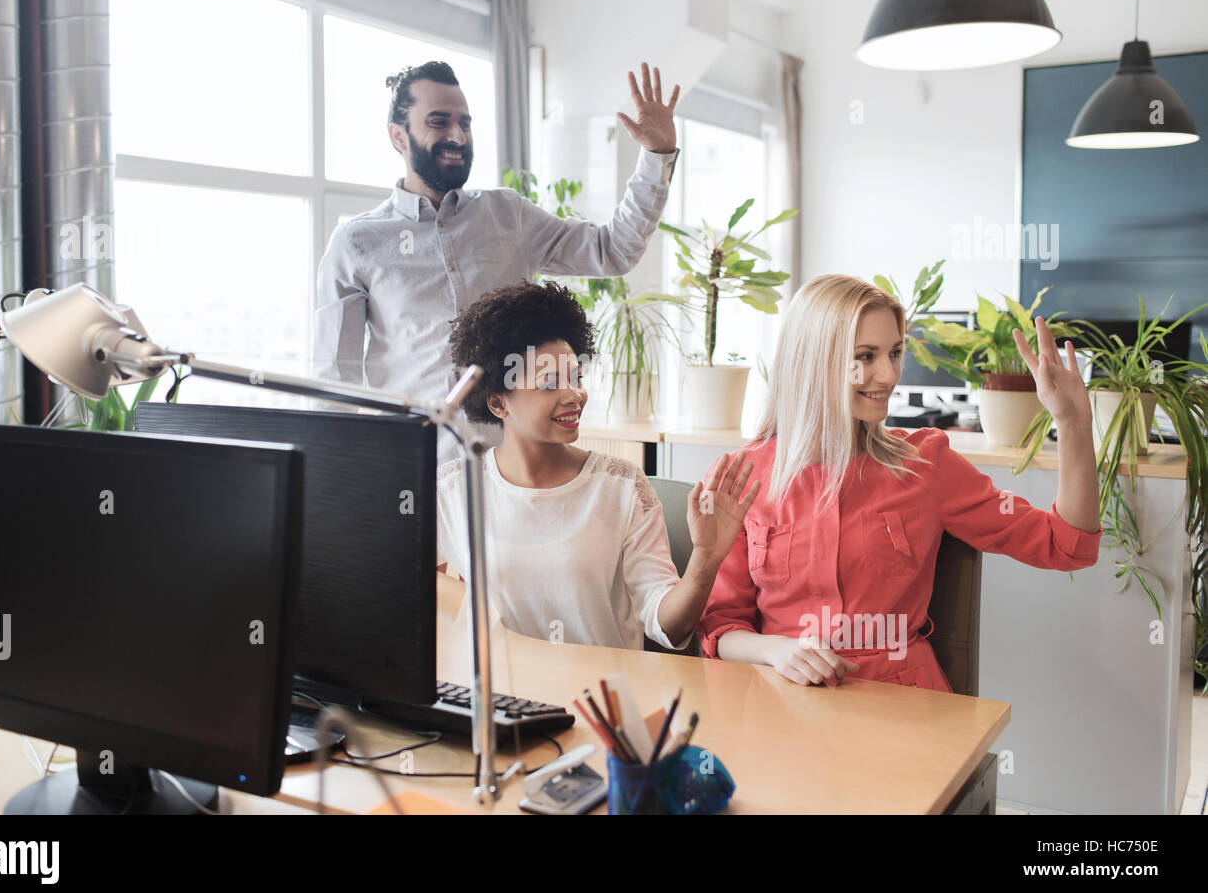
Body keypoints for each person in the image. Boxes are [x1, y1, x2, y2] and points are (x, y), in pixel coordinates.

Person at [699, 274, 1102, 689]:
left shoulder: (927, 463)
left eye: (894, 353)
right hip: (785, 704)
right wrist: (775, 650)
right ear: (813, 362)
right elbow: (720, 627)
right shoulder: (742, 476)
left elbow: (1066, 545)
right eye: (866, 356)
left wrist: (1073, 425)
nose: (889, 375)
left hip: (902, 702)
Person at [313, 59, 680, 455]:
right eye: (438, 122)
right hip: (415, 475)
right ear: (398, 136)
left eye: (465, 124)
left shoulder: (509, 215)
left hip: (517, 471)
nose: (457, 135)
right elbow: (335, 386)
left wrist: (657, 155)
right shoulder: (356, 242)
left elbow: (612, 251)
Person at [435, 280, 759, 650]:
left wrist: (705, 559)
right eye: (550, 384)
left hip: (599, 699)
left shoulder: (621, 487)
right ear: (498, 404)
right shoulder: (452, 491)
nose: (574, 395)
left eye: (575, 377)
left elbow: (667, 627)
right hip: (501, 697)